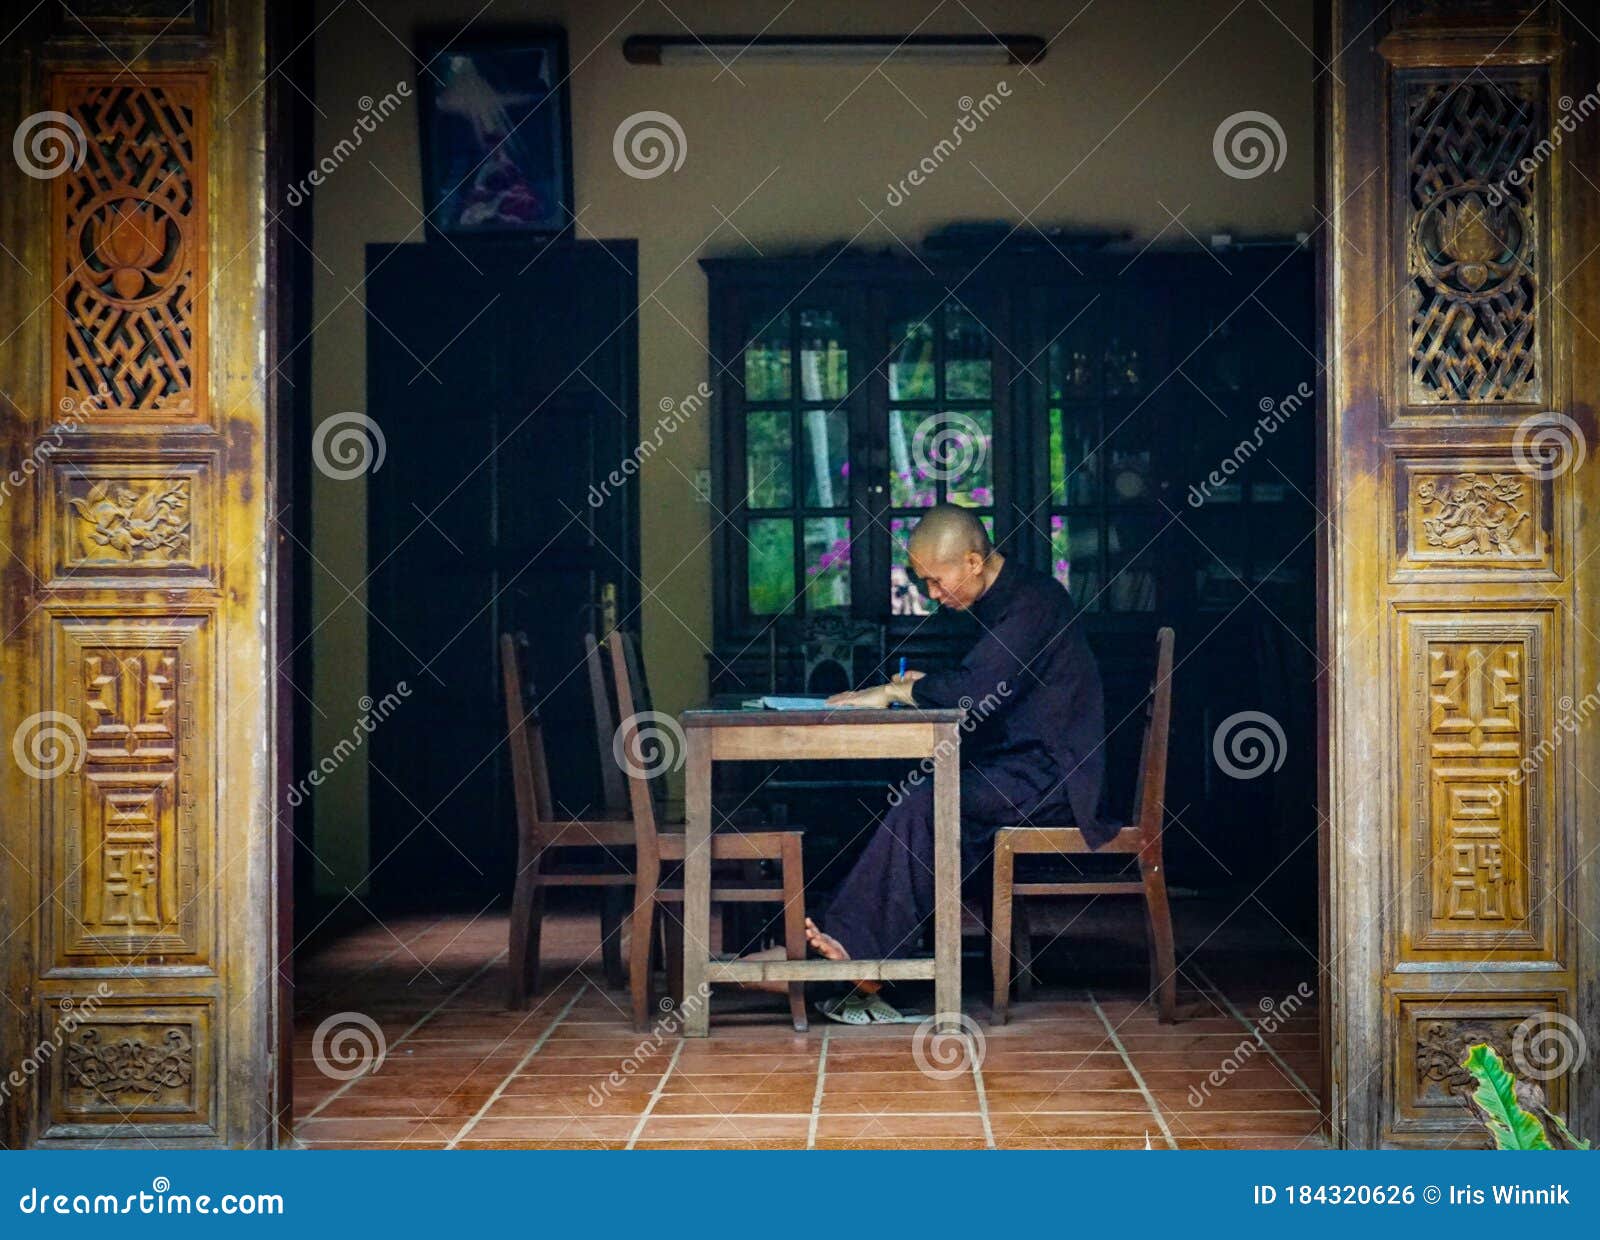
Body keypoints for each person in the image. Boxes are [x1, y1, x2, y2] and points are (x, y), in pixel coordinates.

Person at [805, 504, 1108, 1023]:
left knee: (928, 802)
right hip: (1020, 768)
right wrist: (915, 688)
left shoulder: (1033, 602)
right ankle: (864, 948)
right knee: (913, 793)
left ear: (972, 561)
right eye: (922, 581)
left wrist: (898, 691)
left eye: (934, 580)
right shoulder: (1002, 603)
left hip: (1053, 776)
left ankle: (861, 955)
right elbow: (985, 681)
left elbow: (973, 692)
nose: (931, 594)